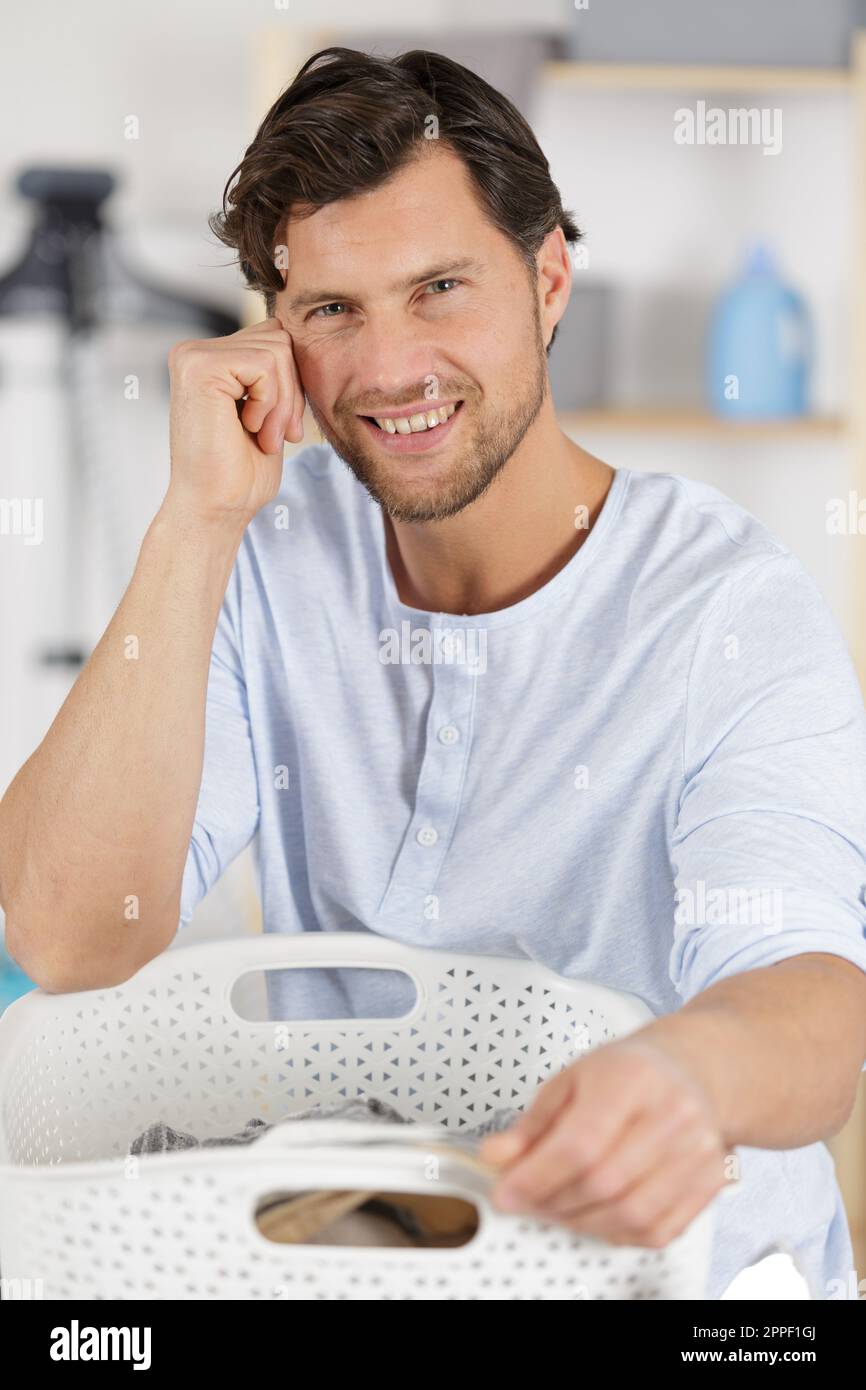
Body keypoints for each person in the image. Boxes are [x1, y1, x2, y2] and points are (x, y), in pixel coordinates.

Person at [2, 47, 866, 1301]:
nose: (392, 367)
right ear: (277, 338)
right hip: (369, 1254)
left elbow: (809, 1003)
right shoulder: (263, 551)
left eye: (441, 287)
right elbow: (69, 938)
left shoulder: (726, 606)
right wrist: (193, 524)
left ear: (549, 279)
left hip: (683, 1279)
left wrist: (684, 1075)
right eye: (332, 311)